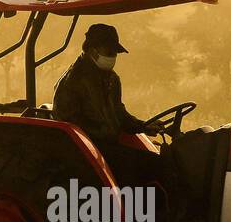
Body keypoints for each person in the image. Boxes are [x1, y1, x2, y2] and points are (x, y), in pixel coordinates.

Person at [51, 23, 163, 187]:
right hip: (86, 151)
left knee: (156, 161)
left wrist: (144, 126)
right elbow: (68, 122)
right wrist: (101, 132)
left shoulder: (111, 79)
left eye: (115, 53)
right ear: (92, 51)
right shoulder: (74, 81)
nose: (113, 58)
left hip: (108, 145)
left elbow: (119, 113)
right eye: (109, 52)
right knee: (136, 164)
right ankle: (132, 209)